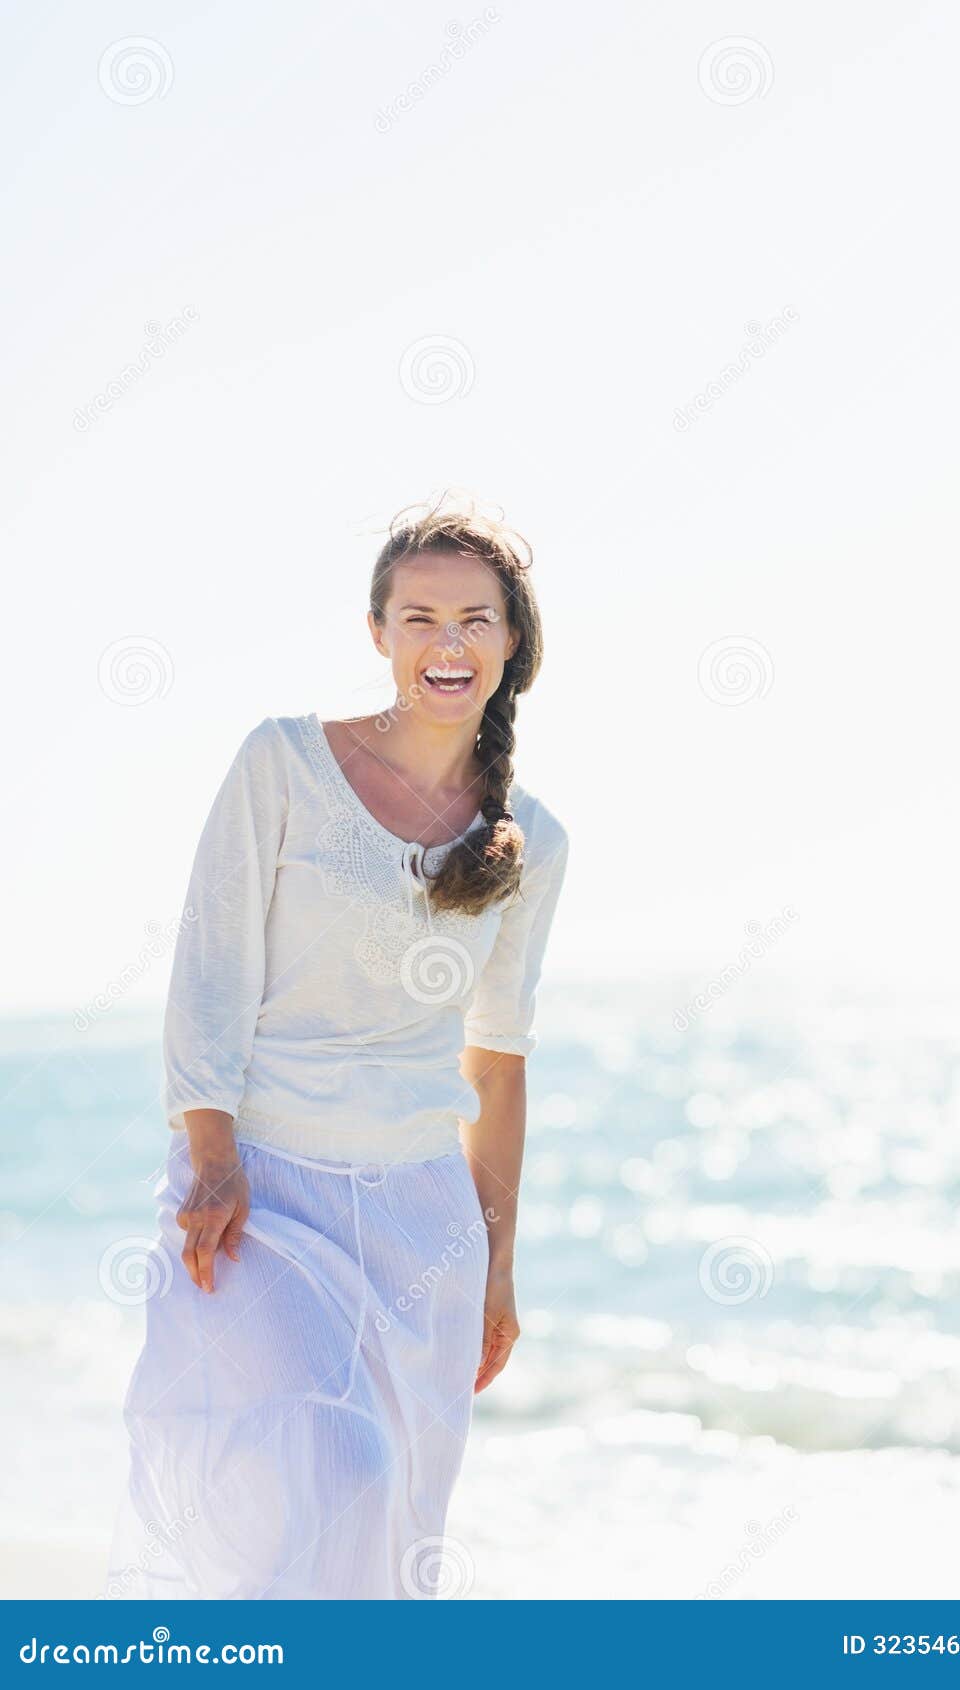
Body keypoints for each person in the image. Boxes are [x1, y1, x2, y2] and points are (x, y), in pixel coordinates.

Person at [106, 493, 570, 1600]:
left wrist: (498, 1264)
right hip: (266, 1194)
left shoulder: (531, 842)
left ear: (512, 641)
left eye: (473, 619)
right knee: (341, 1472)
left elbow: (497, 1064)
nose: (446, 643)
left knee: (394, 1535)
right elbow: (209, 972)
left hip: (425, 1227)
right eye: (418, 617)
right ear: (378, 633)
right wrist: (212, 1150)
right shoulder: (282, 765)